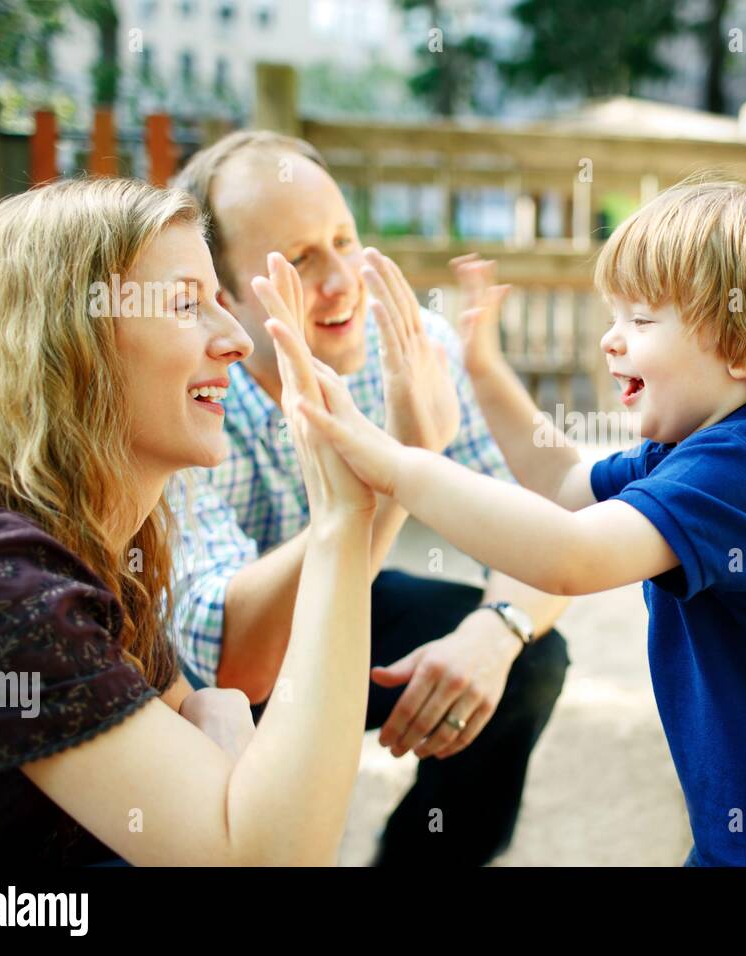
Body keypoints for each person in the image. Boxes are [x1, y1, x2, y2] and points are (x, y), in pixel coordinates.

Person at [276, 178, 746, 866]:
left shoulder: (744, 470)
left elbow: (569, 556)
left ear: (745, 348)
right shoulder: (690, 451)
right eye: (613, 316)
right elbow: (562, 486)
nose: (611, 341)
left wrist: (396, 464)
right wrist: (481, 371)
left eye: (641, 321)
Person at [0, 177, 377, 865]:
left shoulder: (102, 544)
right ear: (64, 347)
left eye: (221, 305)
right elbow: (270, 855)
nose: (235, 339)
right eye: (185, 306)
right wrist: (342, 523)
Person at [167, 131, 570, 866]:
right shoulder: (186, 394)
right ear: (221, 295)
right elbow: (236, 666)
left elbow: (545, 538)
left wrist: (496, 631)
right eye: (297, 260)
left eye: (343, 240)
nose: (341, 281)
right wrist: (399, 464)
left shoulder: (411, 348)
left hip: (347, 594)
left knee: (529, 659)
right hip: (218, 663)